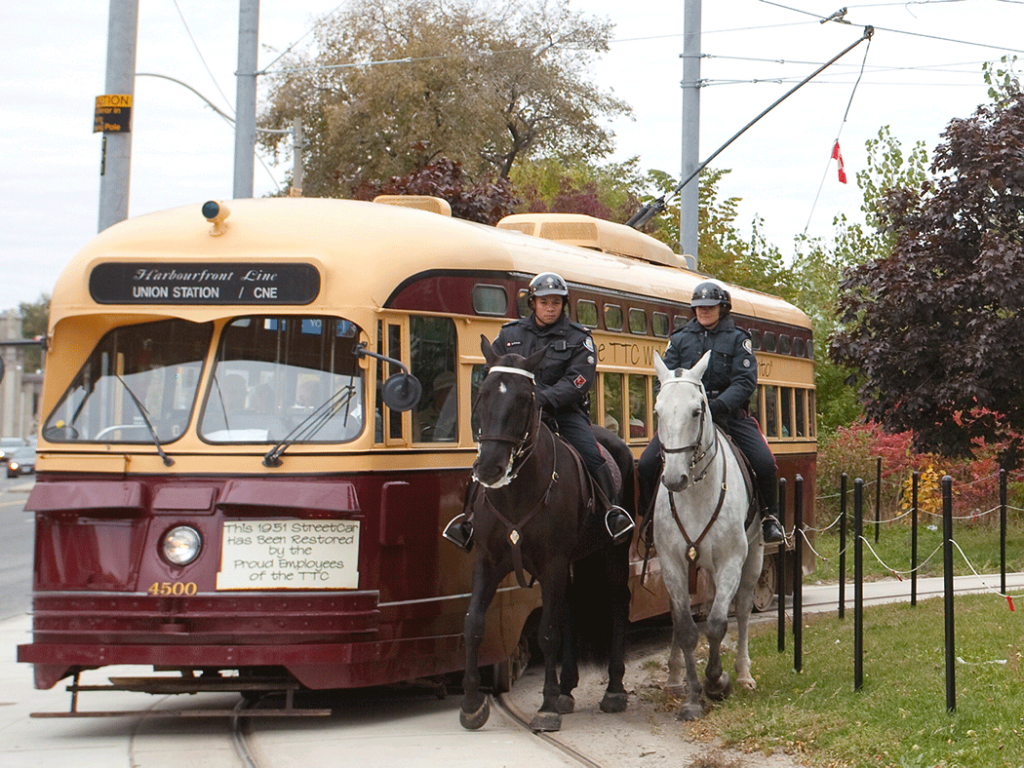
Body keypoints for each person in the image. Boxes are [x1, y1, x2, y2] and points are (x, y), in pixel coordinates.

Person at [444, 272, 634, 550]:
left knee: (592, 454)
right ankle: (468, 520)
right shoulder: (510, 334)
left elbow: (579, 380)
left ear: (563, 305)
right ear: (532, 303)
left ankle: (612, 513)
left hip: (564, 414)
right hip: (517, 417)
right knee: (487, 456)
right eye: (544, 302)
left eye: (556, 302)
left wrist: (541, 398)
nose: (550, 308)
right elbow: (493, 371)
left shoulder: (579, 338)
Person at [637, 280, 785, 544]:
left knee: (764, 462)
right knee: (647, 463)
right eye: (699, 307)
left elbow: (745, 381)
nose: (703, 311)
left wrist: (717, 406)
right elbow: (665, 379)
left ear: (722, 308)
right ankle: (649, 521)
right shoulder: (679, 339)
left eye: (710, 307)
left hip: (728, 415)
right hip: (686, 419)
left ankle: (769, 518)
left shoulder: (739, 339)